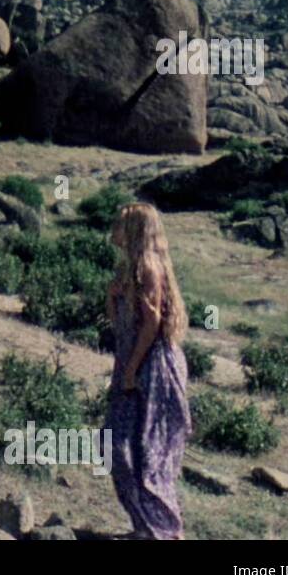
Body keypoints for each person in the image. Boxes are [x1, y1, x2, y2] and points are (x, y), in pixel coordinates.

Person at [106, 202, 192, 539]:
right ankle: (147, 528)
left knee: (149, 452)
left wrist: (132, 369)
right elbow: (120, 323)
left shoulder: (149, 269)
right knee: (120, 447)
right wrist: (112, 297)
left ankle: (163, 531)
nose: (113, 229)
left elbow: (153, 323)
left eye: (121, 224)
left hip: (152, 365)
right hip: (132, 360)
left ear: (135, 231)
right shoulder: (129, 269)